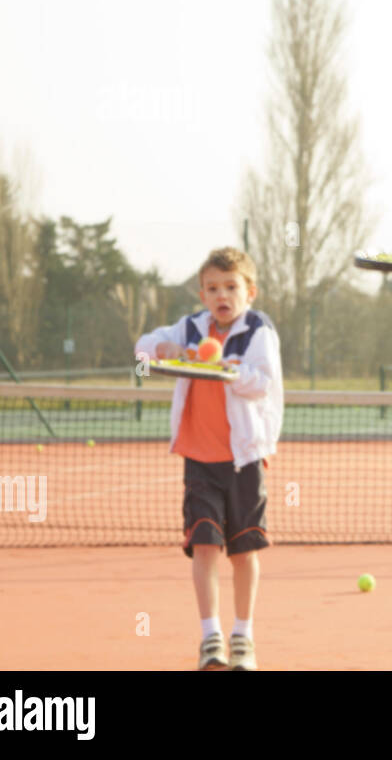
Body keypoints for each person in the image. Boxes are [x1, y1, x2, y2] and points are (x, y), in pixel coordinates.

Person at [135, 247, 284, 671]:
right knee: (204, 546)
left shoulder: (259, 331)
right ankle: (210, 638)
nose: (223, 295)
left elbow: (262, 384)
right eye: (213, 288)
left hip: (244, 461)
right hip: (199, 460)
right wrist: (162, 347)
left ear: (249, 291)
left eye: (232, 287)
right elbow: (142, 352)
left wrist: (232, 370)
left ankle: (243, 637)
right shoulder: (192, 328)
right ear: (203, 295)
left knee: (243, 553)